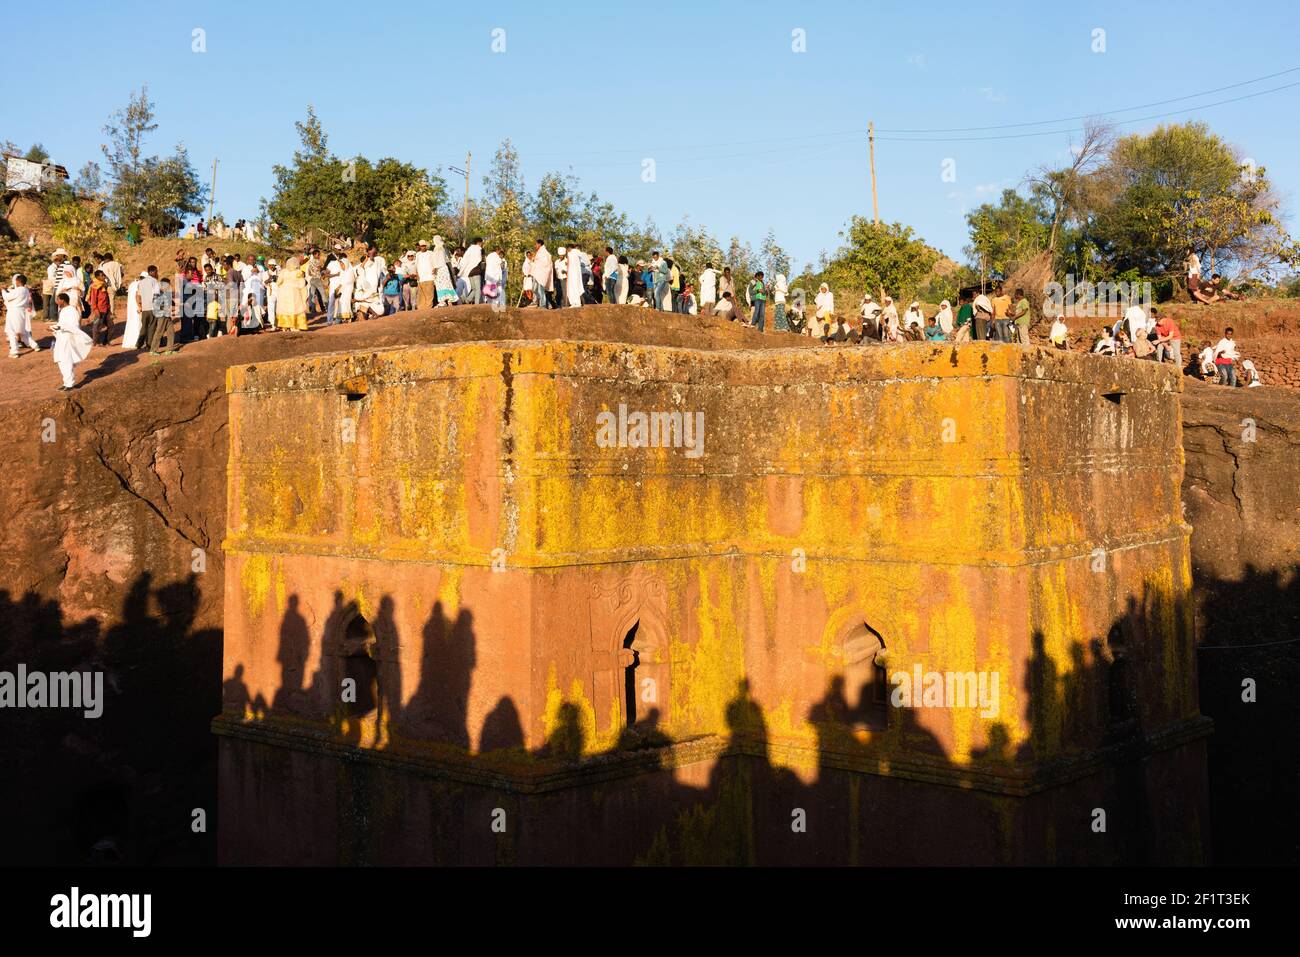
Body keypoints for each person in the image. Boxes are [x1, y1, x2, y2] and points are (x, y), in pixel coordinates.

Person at [50, 292, 93, 390]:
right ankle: (66, 382)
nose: (56, 302)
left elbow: (73, 325)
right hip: (61, 337)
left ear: (62, 300)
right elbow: (61, 324)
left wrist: (59, 327)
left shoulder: (72, 310)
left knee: (66, 359)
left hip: (67, 338)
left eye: (58, 299)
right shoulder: (63, 310)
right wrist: (54, 329)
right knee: (60, 359)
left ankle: (70, 383)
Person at [4, 274, 39, 357]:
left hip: (14, 312)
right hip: (21, 312)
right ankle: (35, 345)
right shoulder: (26, 290)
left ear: (18, 281)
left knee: (11, 331)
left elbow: (7, 297)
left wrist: (3, 290)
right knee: (22, 332)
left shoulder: (19, 290)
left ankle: (14, 351)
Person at [275, 256, 309, 331]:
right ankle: (294, 326)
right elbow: (302, 284)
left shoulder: (283, 271)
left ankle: (285, 327)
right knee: (294, 308)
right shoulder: (298, 272)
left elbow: (278, 282)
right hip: (294, 293)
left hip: (283, 293)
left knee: (284, 308)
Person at [87, 270, 113, 345]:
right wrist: (96, 310)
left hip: (106, 308)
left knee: (111, 325)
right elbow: (93, 300)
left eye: (104, 275)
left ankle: (107, 341)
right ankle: (95, 342)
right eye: (102, 275)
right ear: (97, 277)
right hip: (99, 309)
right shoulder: (95, 286)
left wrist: (109, 308)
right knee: (97, 326)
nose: (104, 276)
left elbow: (106, 297)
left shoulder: (103, 285)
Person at [460, 238, 485, 305]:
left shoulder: (469, 249)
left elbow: (465, 260)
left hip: (470, 272)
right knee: (478, 289)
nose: (482, 244)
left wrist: (461, 271)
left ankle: (467, 300)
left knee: (474, 289)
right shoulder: (479, 249)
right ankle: (477, 304)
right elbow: (480, 260)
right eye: (482, 242)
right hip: (476, 271)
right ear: (479, 242)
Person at [531, 240, 554, 308]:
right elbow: (537, 263)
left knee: (540, 290)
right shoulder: (539, 252)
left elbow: (546, 264)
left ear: (539, 244)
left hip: (542, 275)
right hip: (536, 274)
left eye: (536, 244)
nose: (535, 246)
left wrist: (536, 262)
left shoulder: (544, 253)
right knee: (534, 289)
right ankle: (547, 303)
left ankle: (543, 305)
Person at [566, 244, 584, 308]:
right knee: (573, 287)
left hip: (573, 273)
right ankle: (574, 302)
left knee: (574, 287)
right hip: (574, 273)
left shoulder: (572, 252)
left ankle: (576, 302)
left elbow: (568, 264)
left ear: (569, 248)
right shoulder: (576, 252)